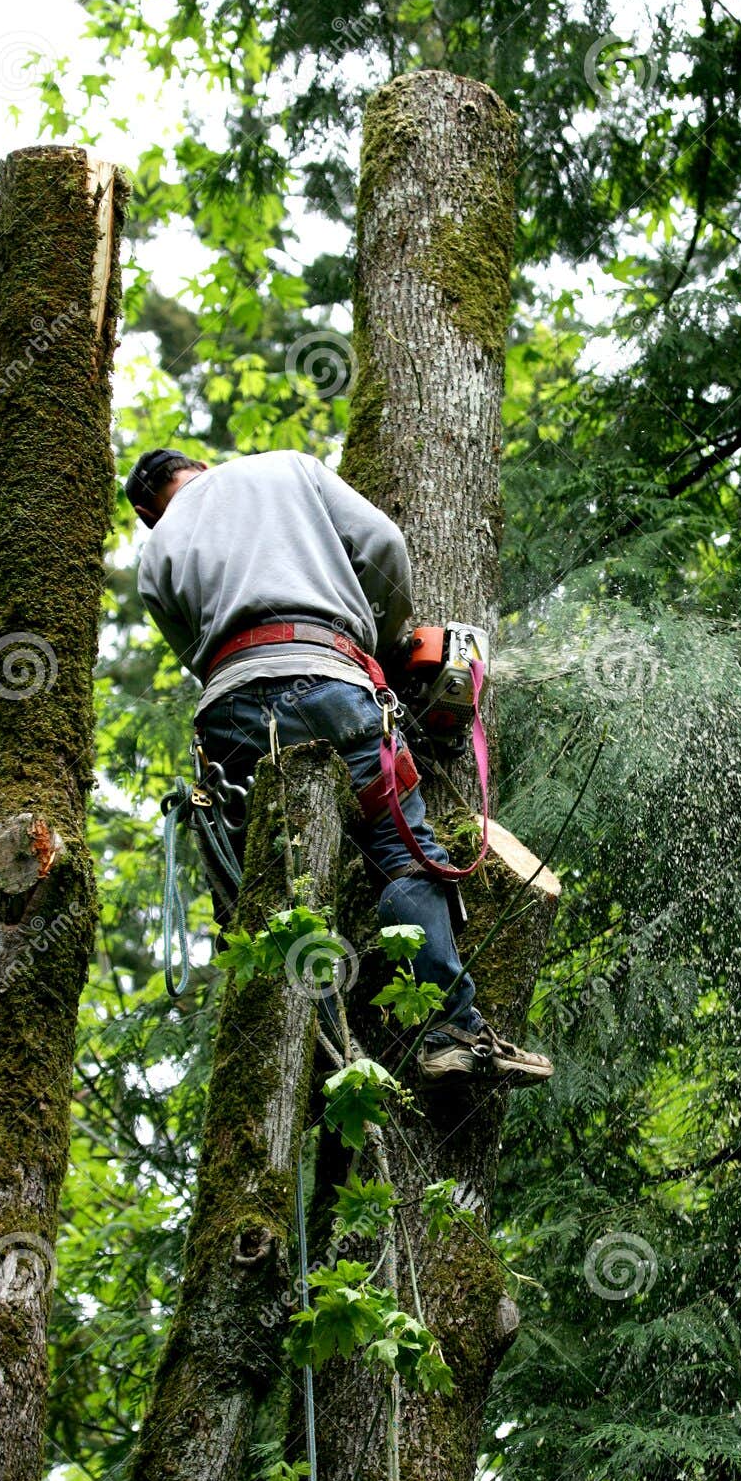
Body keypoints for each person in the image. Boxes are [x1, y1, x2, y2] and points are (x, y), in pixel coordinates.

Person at [128, 445, 553, 1086]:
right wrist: (380, 641)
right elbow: (383, 545)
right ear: (205, 467)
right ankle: (450, 1032)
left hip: (228, 714)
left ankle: (305, 1065)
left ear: (146, 511)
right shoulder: (286, 467)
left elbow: (194, 651)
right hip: (328, 678)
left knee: (265, 894)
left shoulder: (155, 551)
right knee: (402, 852)